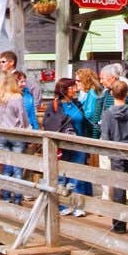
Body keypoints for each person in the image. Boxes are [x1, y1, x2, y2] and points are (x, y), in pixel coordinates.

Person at [100, 80, 128, 233]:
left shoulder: (107, 114)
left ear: (111, 94)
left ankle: (119, 224)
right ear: (127, 94)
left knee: (119, 188)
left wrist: (109, 155)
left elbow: (105, 137)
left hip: (116, 152)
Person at [45, 76, 92, 207]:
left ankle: (78, 205)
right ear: (64, 89)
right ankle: (63, 205)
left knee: (77, 176)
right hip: (62, 146)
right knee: (61, 175)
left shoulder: (77, 104)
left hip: (79, 144)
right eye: (72, 87)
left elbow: (85, 123)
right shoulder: (54, 106)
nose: (75, 89)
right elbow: (48, 124)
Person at [0, 71, 27, 204]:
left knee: (6, 167)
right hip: (16, 133)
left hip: (2, 133)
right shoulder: (17, 97)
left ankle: (6, 197)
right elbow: (22, 117)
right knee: (17, 168)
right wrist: (26, 130)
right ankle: (17, 198)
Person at [75, 67, 104, 136]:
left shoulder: (92, 93)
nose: (76, 82)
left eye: (78, 81)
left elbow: (90, 113)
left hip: (89, 129)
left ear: (85, 81)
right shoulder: (84, 92)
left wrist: (76, 116)